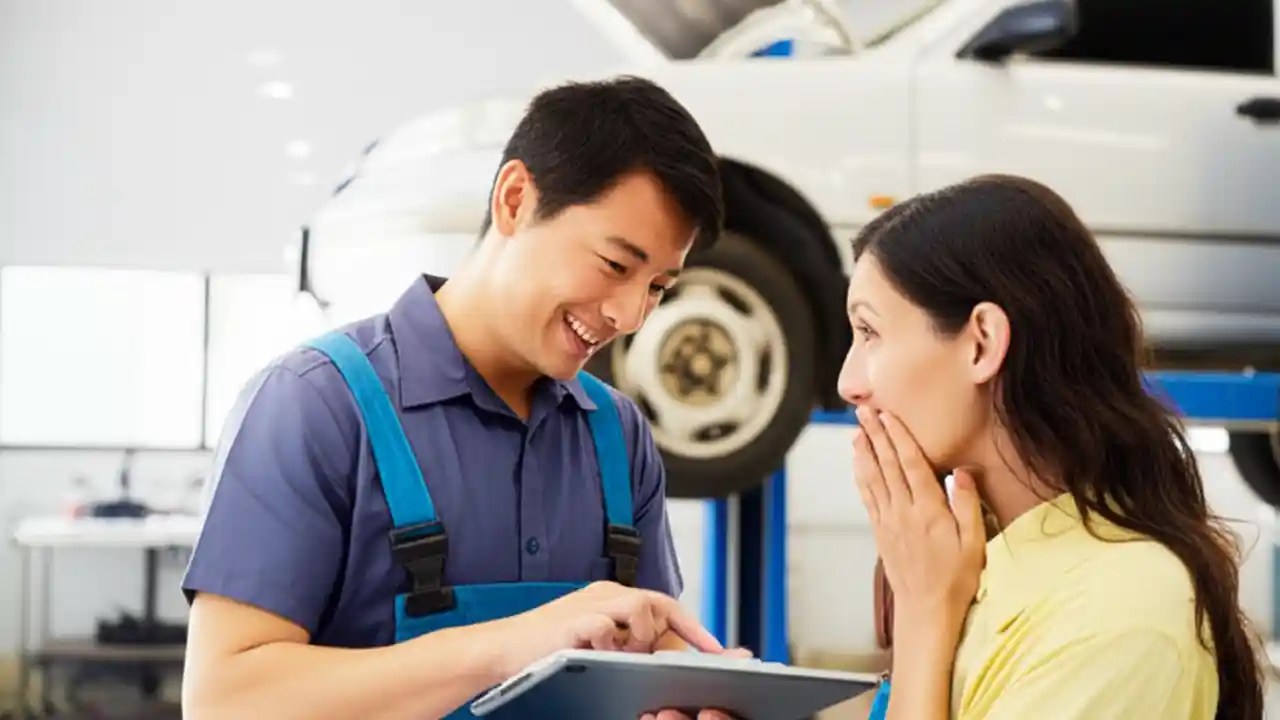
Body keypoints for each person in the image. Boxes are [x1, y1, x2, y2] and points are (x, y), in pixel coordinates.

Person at [180, 75, 741, 720]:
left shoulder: (617, 435)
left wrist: (696, 691)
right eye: (616, 265)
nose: (630, 314)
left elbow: (648, 653)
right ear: (515, 199)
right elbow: (225, 703)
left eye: (658, 287)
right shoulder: (313, 408)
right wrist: (509, 647)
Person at [839, 174, 1265, 719]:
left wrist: (923, 621)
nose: (848, 382)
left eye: (869, 332)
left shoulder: (1123, 614)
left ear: (982, 343)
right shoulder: (963, 565)